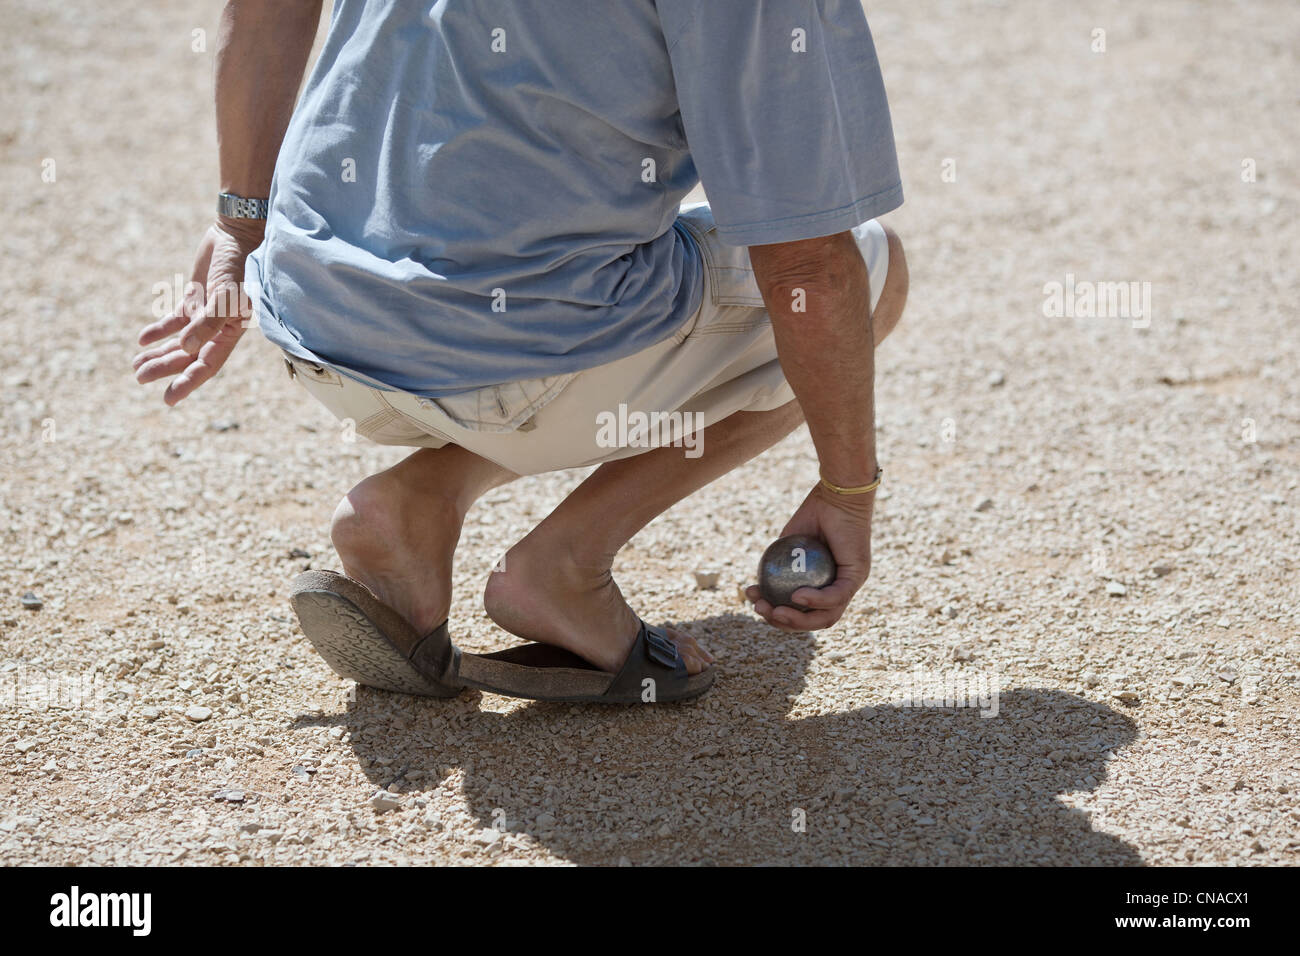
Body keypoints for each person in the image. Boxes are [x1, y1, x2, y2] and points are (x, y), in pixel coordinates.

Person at [133, 0, 909, 704]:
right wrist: (847, 490)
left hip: (312, 317)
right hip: (516, 358)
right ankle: (564, 566)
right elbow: (807, 262)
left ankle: (418, 502)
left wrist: (239, 223)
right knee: (875, 274)